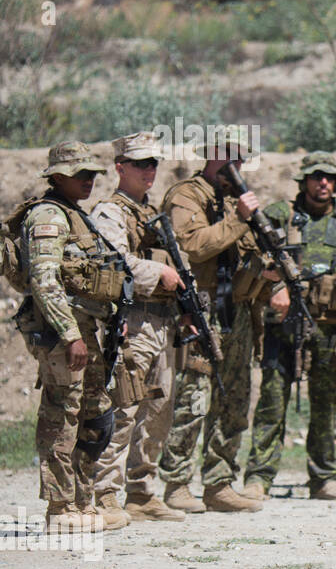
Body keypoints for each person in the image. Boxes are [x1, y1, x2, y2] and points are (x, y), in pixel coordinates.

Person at [243, 152, 336, 501]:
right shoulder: (279, 216)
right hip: (283, 326)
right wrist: (273, 285)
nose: (323, 183)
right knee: (273, 402)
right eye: (316, 176)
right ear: (304, 181)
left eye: (329, 177)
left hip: (330, 329)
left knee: (327, 404)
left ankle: (324, 478)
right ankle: (259, 478)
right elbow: (250, 256)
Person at [10, 142, 131, 533]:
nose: (88, 179)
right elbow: (45, 282)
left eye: (91, 173)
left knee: (95, 413)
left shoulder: (77, 215)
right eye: (79, 173)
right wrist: (69, 335)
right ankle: (59, 508)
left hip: (86, 329)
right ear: (56, 176)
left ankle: (82, 499)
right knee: (62, 414)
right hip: (59, 332)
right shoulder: (48, 215)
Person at [156, 127, 267, 513]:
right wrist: (239, 218)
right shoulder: (187, 195)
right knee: (193, 400)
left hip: (236, 313)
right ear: (212, 156)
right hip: (199, 312)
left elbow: (246, 253)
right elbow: (196, 245)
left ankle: (219, 481)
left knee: (235, 400)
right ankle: (176, 483)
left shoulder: (236, 202)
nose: (235, 167)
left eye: (240, 160)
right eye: (229, 158)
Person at [88, 132, 188, 524]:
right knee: (124, 407)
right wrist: (158, 271)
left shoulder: (152, 215)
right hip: (130, 319)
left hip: (162, 321)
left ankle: (142, 491)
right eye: (141, 164)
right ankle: (104, 493)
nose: (150, 171)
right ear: (120, 168)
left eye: (154, 164)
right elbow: (113, 264)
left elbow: (178, 265)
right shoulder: (109, 213)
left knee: (157, 410)